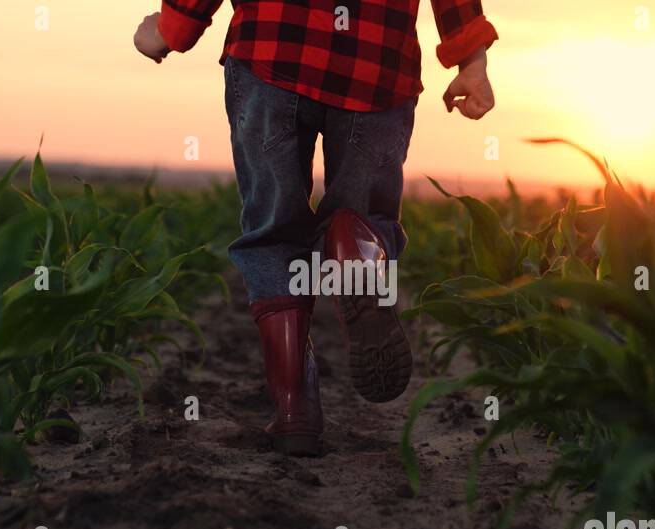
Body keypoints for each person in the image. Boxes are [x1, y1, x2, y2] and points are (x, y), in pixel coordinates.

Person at [134, 1, 497, 456]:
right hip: (378, 71)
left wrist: (173, 28)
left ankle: (294, 410)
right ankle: (353, 246)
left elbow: (180, 21)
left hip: (271, 54)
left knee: (273, 231)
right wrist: (472, 62)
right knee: (368, 213)